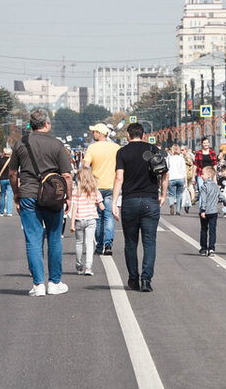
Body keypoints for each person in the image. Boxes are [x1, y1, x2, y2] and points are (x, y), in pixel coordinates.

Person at [9, 108, 75, 296]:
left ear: (31, 125)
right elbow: (67, 175)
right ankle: (54, 282)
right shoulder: (57, 145)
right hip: (53, 196)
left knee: (33, 238)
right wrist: (68, 197)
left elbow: (13, 173)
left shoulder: (21, 144)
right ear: (47, 124)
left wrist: (16, 194)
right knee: (54, 237)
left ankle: (38, 285)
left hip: (28, 195)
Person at [113, 122, 167, 291]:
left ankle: (133, 279)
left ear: (128, 136)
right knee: (149, 242)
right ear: (143, 135)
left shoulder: (122, 152)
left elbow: (119, 178)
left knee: (130, 242)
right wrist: (163, 195)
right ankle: (146, 280)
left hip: (129, 201)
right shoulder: (153, 150)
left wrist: (114, 202)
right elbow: (165, 174)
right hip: (150, 201)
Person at [83, 123, 120, 254]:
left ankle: (99, 246)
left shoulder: (92, 148)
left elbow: (86, 167)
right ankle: (108, 245)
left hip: (96, 188)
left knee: (98, 217)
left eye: (94, 132)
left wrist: (85, 184)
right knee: (109, 216)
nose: (93, 134)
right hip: (112, 186)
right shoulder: (116, 148)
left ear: (100, 133)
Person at [68, 165, 105, 277]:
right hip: (91, 219)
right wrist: (101, 206)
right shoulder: (94, 190)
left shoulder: (76, 190)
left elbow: (74, 207)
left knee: (79, 242)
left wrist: (72, 223)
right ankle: (88, 267)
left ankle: (79, 265)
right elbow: (102, 206)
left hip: (79, 219)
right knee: (89, 243)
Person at [197, 165, 226, 256]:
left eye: (203, 174)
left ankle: (203, 248)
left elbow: (204, 199)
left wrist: (202, 210)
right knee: (212, 231)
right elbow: (221, 196)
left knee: (204, 230)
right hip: (214, 211)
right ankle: (211, 248)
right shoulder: (215, 186)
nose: (201, 176)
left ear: (209, 176)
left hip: (205, 211)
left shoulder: (204, 186)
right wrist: (225, 202)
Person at [165, 144, 188, 216]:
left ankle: (171, 204)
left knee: (171, 194)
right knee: (179, 195)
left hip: (171, 178)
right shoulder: (181, 158)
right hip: (180, 178)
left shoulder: (168, 158)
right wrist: (186, 181)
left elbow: (166, 169)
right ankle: (178, 210)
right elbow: (184, 170)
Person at [0, 147, 15, 216]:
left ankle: (1, 211)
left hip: (2, 179)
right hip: (10, 179)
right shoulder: (12, 160)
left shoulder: (0, 159)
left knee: (2, 194)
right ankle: (9, 212)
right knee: (9, 195)